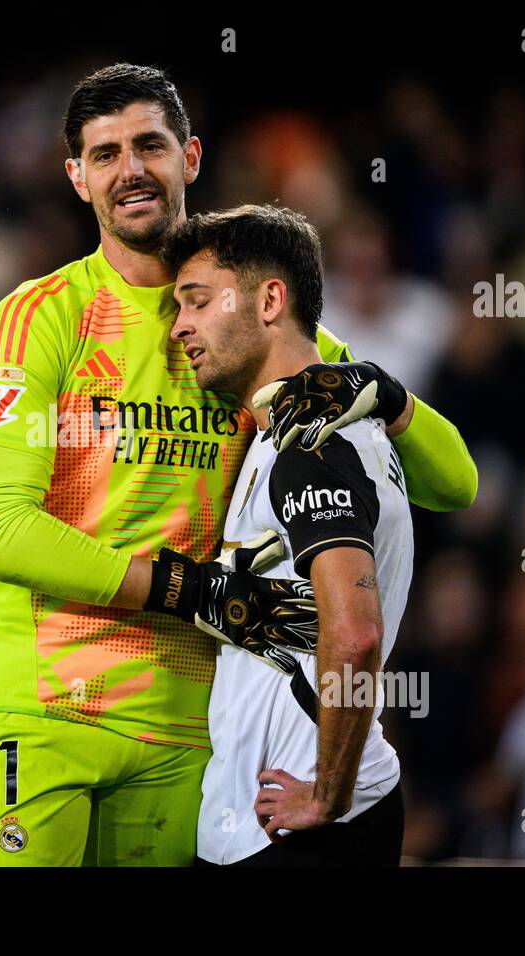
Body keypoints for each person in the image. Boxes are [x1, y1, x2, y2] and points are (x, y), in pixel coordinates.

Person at [0, 63, 475, 866]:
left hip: (185, 729)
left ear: (190, 157)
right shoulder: (40, 318)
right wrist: (189, 588)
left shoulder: (239, 324)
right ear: (76, 178)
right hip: (40, 707)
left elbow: (456, 482)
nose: (131, 170)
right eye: (105, 154)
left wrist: (383, 390)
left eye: (150, 145)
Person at [162, 204, 415, 865]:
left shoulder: (310, 439)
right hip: (283, 816)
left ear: (271, 299)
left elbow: (356, 632)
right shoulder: (304, 426)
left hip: (299, 826)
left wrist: (326, 795)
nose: (180, 327)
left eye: (196, 302)